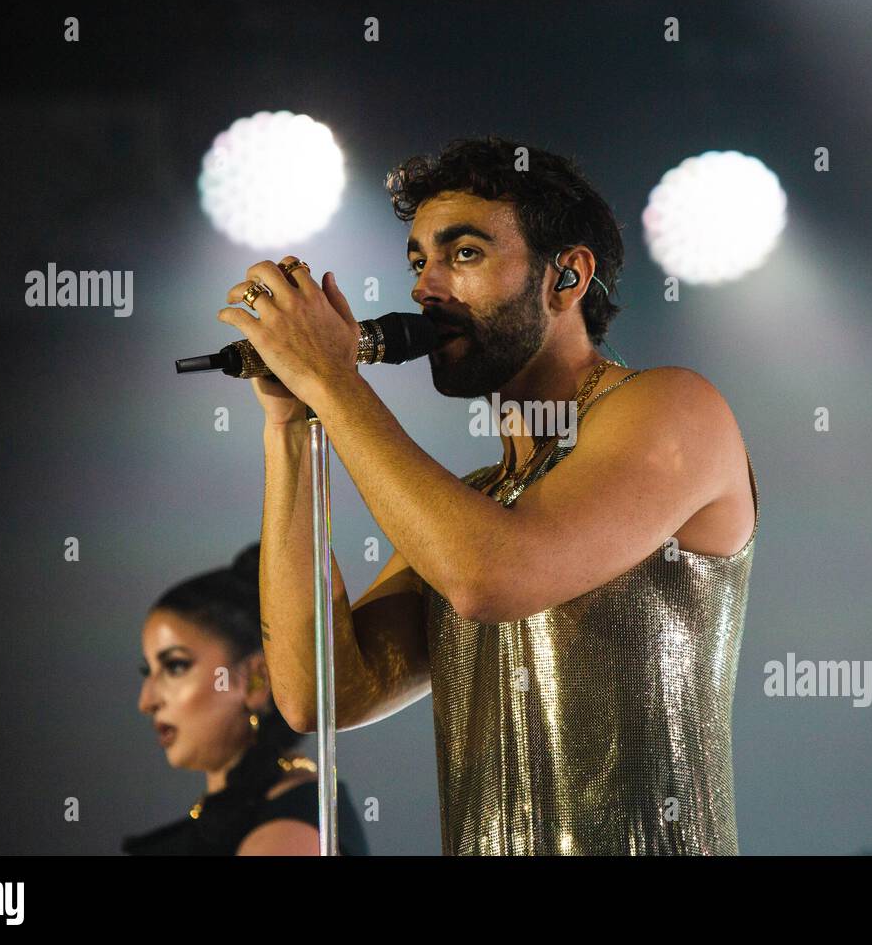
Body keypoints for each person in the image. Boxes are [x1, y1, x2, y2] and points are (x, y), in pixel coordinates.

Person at [217, 135, 759, 855]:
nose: (425, 287)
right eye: (418, 261)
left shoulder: (674, 406)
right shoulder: (481, 503)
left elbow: (490, 576)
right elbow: (323, 692)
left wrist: (335, 380)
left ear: (565, 278)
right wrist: (291, 422)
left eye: (463, 254)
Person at [122, 543, 367, 855]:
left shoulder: (287, 833)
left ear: (257, 680)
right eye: (149, 670)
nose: (147, 701)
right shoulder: (245, 816)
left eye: (175, 666)